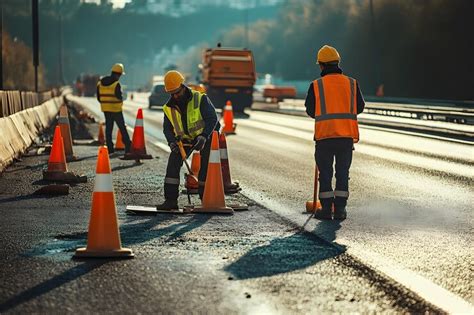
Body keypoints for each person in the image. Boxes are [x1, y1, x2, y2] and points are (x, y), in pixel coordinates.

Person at [304, 45, 365, 220]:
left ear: (321, 65)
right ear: (337, 63)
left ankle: (325, 210)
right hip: (346, 137)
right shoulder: (352, 83)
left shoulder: (316, 85)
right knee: (342, 173)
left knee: (326, 174)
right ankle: (340, 210)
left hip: (325, 137)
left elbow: (310, 110)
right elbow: (359, 107)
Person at [156, 70, 220, 210]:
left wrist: (204, 137)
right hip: (185, 139)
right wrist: (171, 142)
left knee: (206, 166)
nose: (175, 96)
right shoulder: (169, 108)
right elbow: (167, 129)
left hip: (207, 135)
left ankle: (206, 200)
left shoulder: (200, 99)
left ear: (183, 86)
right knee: (173, 162)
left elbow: (212, 119)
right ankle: (171, 201)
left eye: (177, 92)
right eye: (172, 93)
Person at [96, 63, 131, 154]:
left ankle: (110, 148)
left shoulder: (100, 83)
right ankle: (128, 146)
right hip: (116, 109)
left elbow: (99, 98)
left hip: (105, 109)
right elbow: (119, 97)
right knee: (122, 128)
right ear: (118, 74)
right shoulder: (116, 84)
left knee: (109, 128)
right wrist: (122, 98)